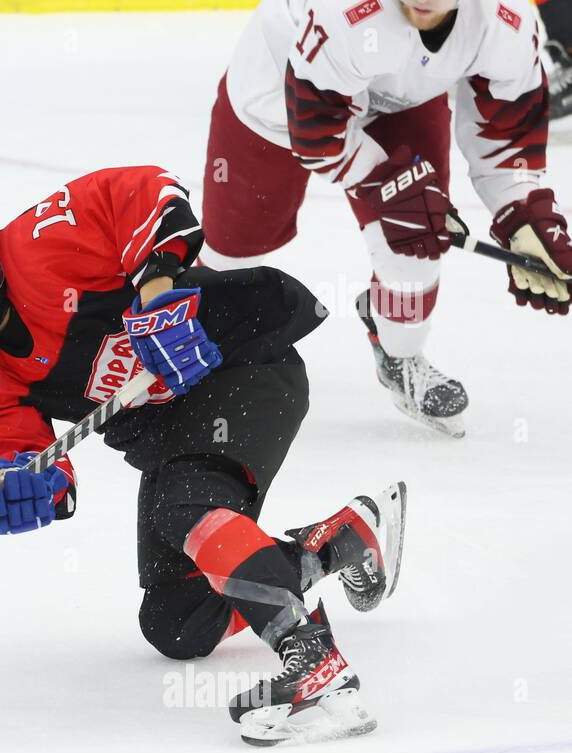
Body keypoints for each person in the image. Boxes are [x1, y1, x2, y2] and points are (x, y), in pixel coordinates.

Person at [0, 166, 406, 745]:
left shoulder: (41, 244)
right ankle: (340, 542)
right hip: (168, 430)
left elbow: (144, 190)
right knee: (178, 624)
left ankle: (313, 658)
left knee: (187, 506)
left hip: (238, 367)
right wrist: (21, 482)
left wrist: (158, 290)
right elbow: (16, 450)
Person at [201, 0, 572, 437]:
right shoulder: (346, 13)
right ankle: (193, 341)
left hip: (399, 97)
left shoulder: (507, 20)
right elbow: (318, 131)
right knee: (231, 257)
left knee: (415, 245)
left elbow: (507, 138)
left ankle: (398, 352)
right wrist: (391, 185)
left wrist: (524, 216)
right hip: (276, 102)